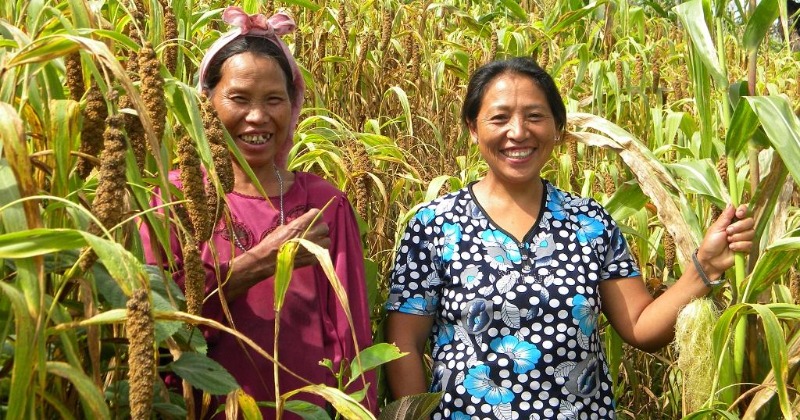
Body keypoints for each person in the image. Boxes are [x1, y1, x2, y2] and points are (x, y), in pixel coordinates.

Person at [383, 57, 755, 419]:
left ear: (558, 127)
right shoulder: (435, 225)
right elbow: (405, 344)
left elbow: (641, 327)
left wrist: (703, 267)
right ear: (473, 128)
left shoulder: (590, 222)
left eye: (534, 116)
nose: (518, 132)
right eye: (499, 118)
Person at [140, 7, 375, 418]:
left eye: (273, 100)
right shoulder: (172, 197)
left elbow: (352, 343)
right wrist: (260, 261)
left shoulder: (324, 205)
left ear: (293, 105)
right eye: (239, 98)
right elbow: (154, 324)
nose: (257, 116)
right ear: (207, 102)